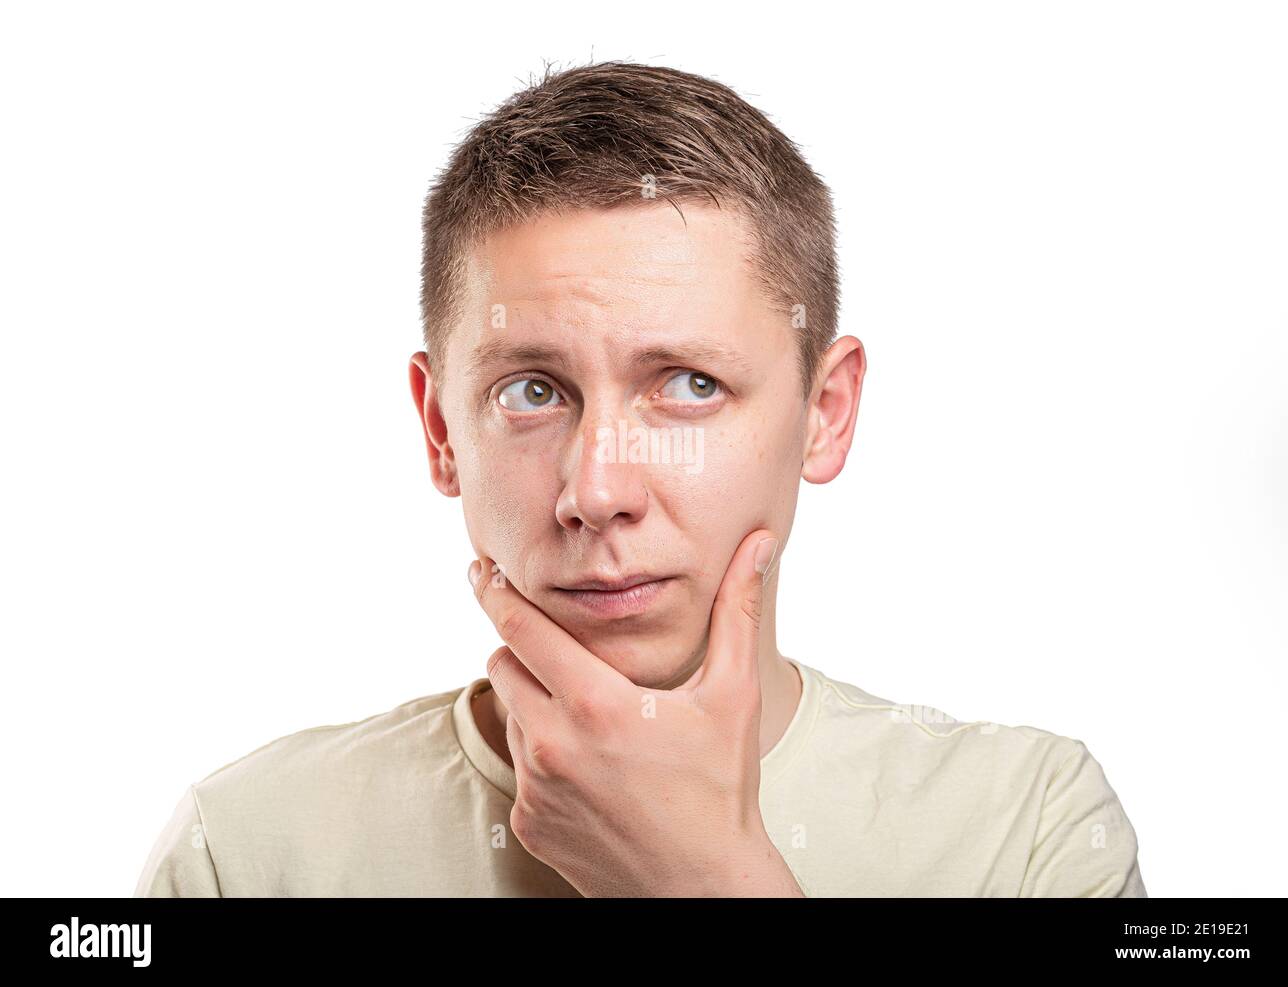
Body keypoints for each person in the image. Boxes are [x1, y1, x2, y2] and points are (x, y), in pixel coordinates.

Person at [134, 60, 1146, 898]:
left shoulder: (1024, 832)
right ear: (442, 429)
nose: (598, 490)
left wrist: (704, 878)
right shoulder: (248, 853)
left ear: (823, 414)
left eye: (690, 384)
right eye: (532, 392)